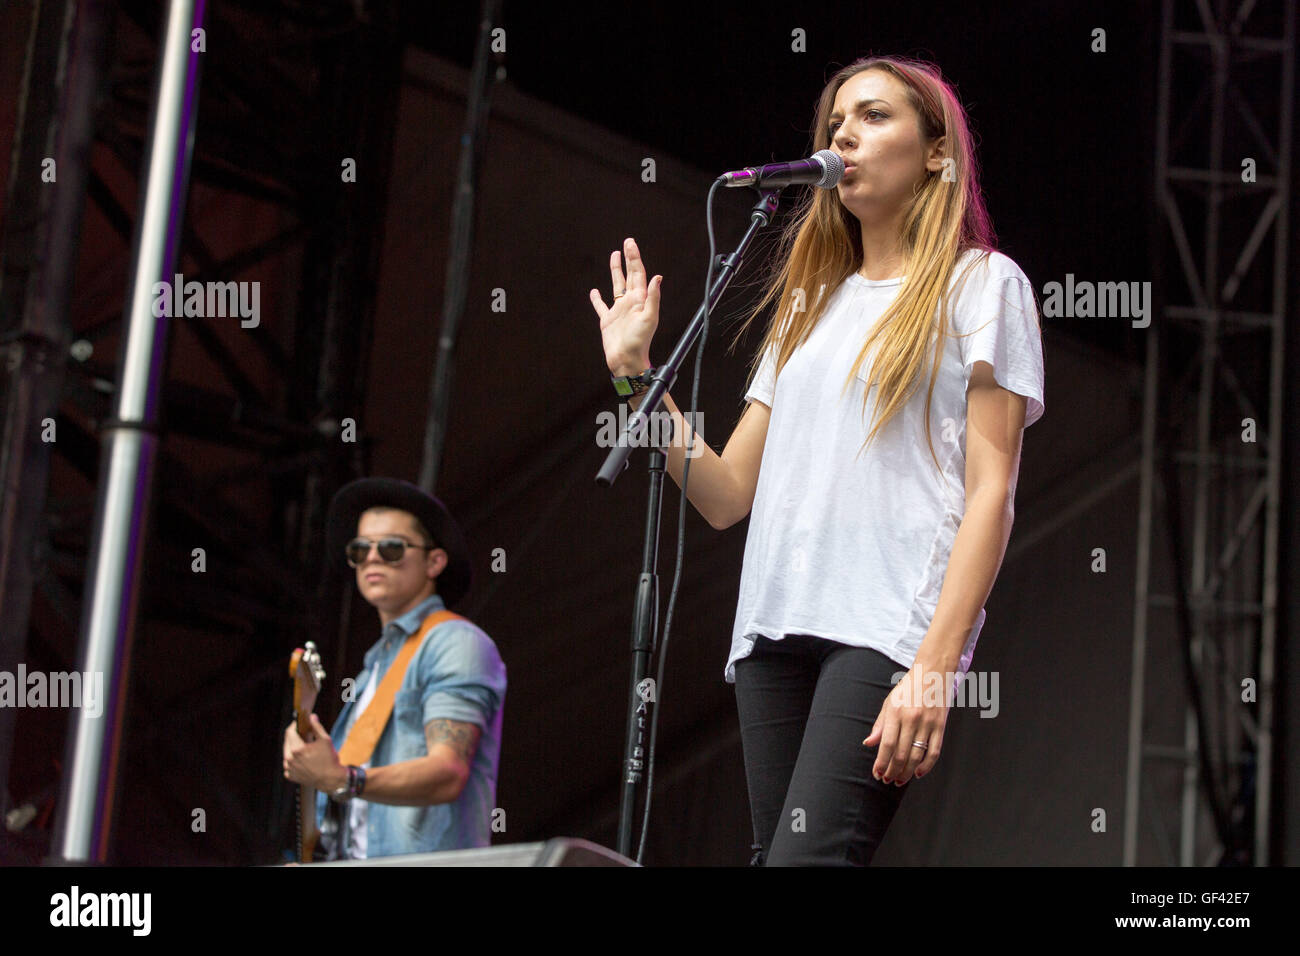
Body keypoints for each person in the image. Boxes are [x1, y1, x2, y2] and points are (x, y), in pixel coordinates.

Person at [590, 55, 1044, 866]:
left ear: (936, 151)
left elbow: (991, 493)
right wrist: (636, 375)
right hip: (774, 624)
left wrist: (937, 667)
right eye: (837, 121)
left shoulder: (982, 286)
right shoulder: (811, 303)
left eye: (873, 116)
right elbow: (726, 492)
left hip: (884, 624)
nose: (844, 134)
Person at [282, 477, 506, 859]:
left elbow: (448, 772)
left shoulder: (455, 642)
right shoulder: (376, 665)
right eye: (359, 549)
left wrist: (344, 778)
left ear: (435, 561)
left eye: (391, 548)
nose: (371, 558)